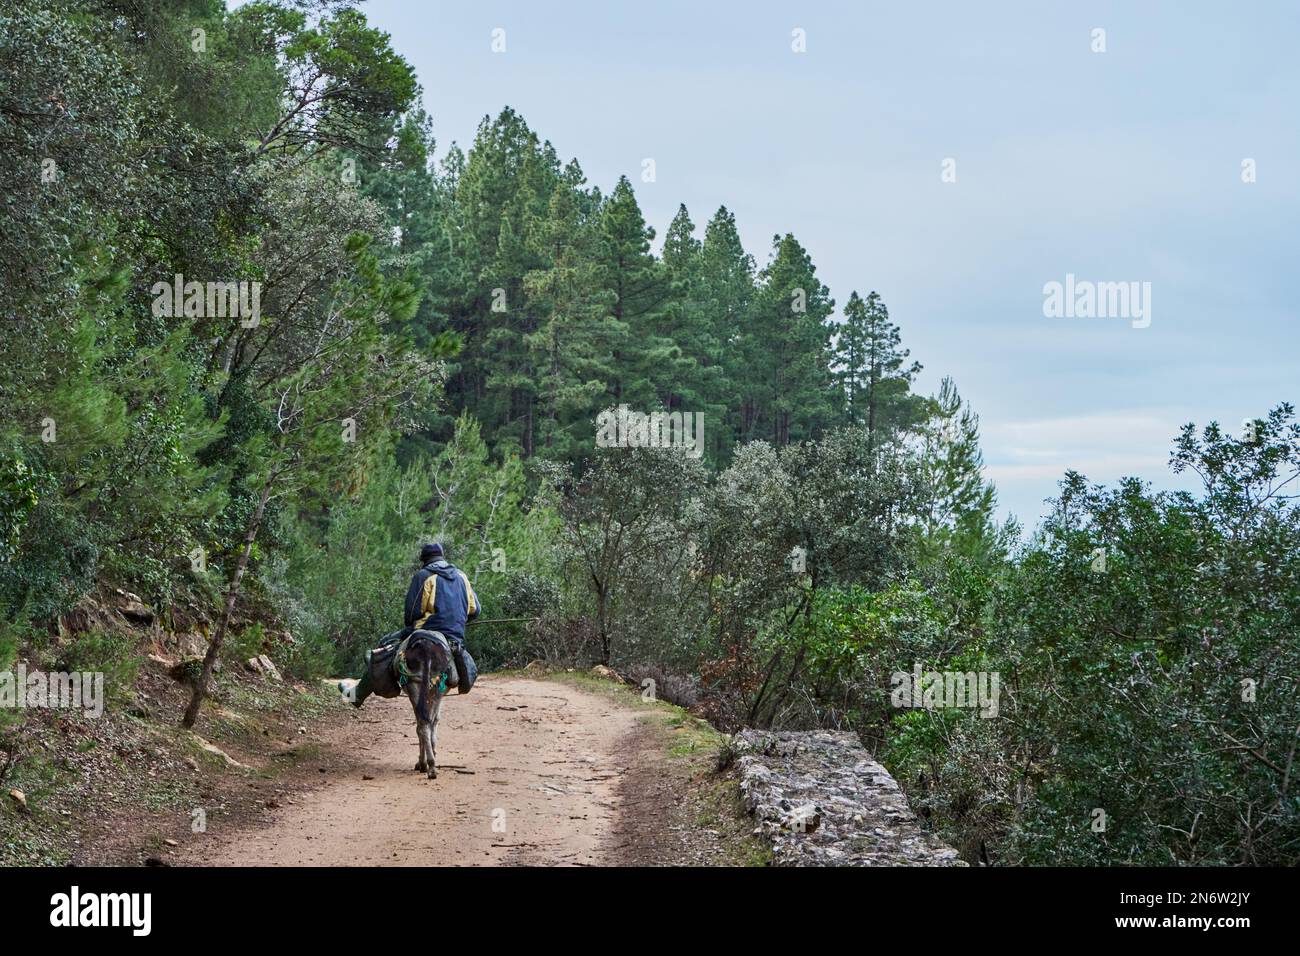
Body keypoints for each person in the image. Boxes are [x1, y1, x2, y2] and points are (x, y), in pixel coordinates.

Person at [339, 542, 481, 707]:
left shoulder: (424, 575)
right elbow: (475, 610)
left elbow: (412, 613)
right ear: (442, 557)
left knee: (385, 646)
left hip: (424, 631)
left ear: (424, 560)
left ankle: (357, 695)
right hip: (454, 638)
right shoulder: (461, 576)